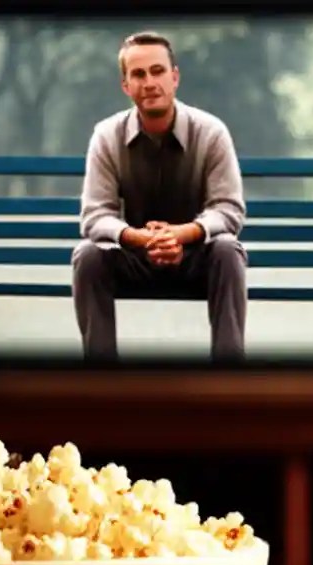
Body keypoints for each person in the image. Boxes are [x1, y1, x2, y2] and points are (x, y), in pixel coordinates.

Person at [73, 30, 248, 363]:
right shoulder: (106, 136)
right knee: (88, 256)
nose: (149, 82)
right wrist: (137, 238)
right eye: (138, 74)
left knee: (228, 250)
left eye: (157, 71)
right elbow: (95, 215)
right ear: (126, 86)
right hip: (135, 256)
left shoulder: (211, 132)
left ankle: (229, 378)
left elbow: (228, 209)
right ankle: (100, 381)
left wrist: (181, 234)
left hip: (198, 258)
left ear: (175, 77)